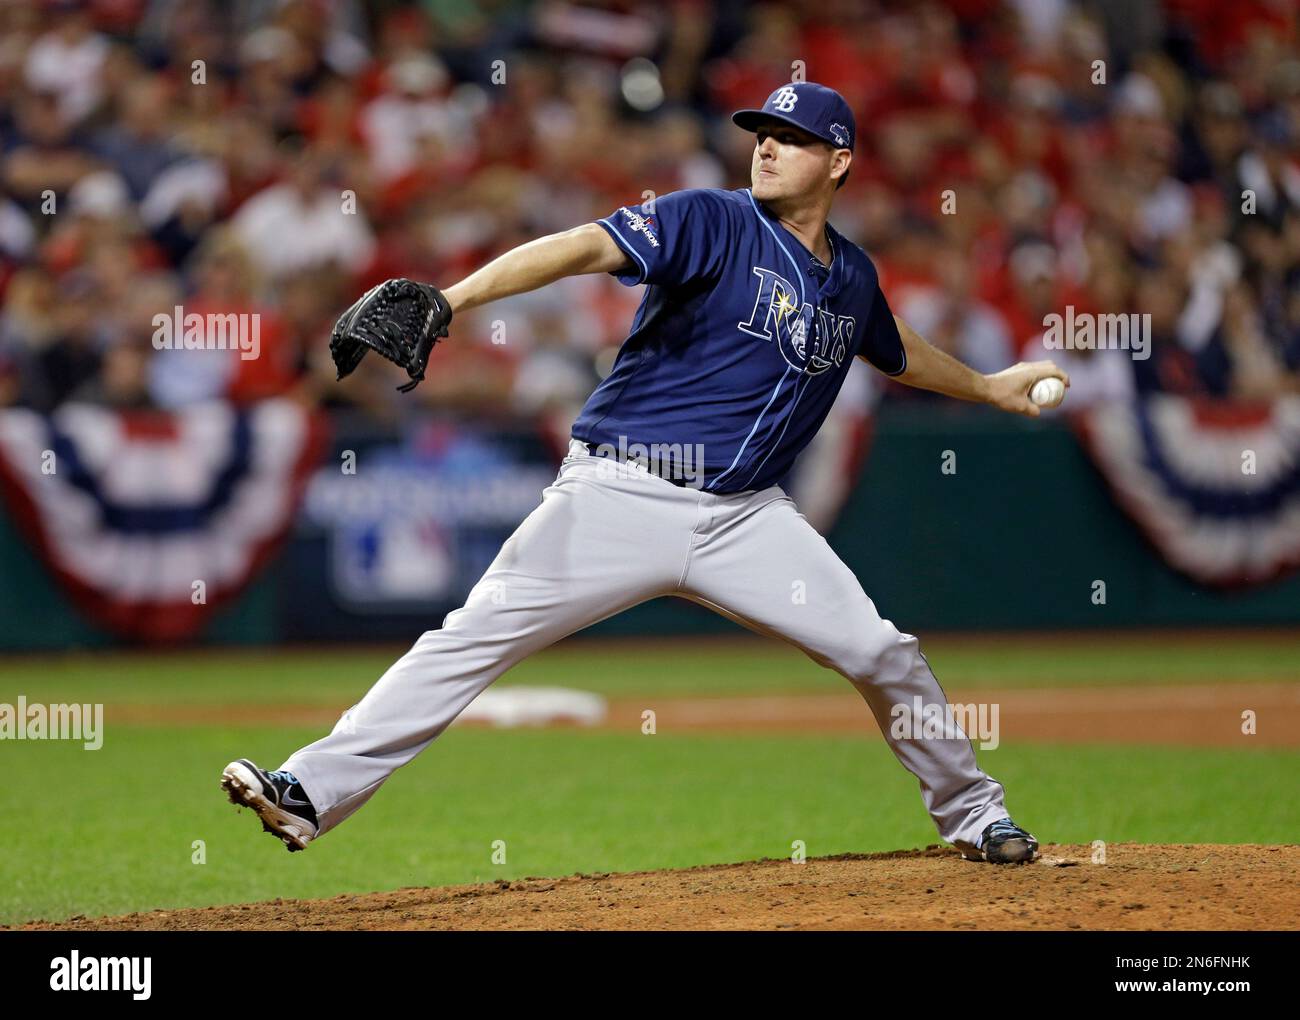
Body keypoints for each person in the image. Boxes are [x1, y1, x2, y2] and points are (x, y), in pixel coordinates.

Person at [222, 82, 1067, 866]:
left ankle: (975, 814)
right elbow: (583, 246)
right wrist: (453, 300)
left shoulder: (850, 277)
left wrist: (990, 386)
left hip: (746, 519)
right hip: (617, 495)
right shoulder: (711, 218)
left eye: (793, 138)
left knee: (883, 652)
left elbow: (893, 348)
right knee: (469, 639)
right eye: (762, 134)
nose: (767, 148)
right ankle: (308, 791)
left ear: (840, 161)